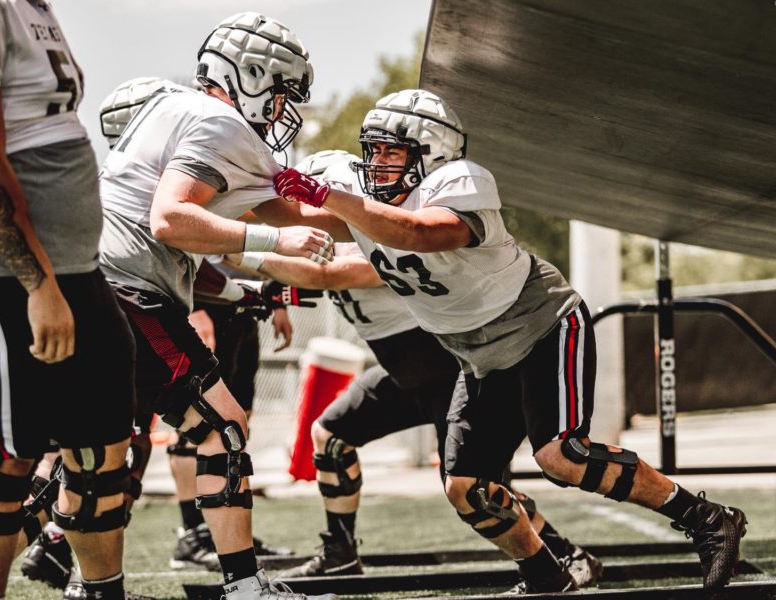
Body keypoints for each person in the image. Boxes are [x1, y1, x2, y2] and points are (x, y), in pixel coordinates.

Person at [275, 89, 748, 592]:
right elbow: (283, 217)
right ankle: (546, 575)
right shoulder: (365, 201)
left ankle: (706, 518)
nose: (378, 164)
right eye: (372, 151)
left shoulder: (462, 182)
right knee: (467, 487)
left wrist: (328, 195)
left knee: (562, 457)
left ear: (431, 152)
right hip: (478, 357)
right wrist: (228, 194)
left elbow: (419, 233)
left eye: (393, 151)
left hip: (542, 325)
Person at [233, 151, 599, 590]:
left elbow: (328, 275)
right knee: (329, 437)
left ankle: (565, 554)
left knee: (475, 487)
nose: (302, 210)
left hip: (448, 372)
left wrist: (236, 248)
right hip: (403, 374)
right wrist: (268, 282)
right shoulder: (323, 235)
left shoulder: (378, 229)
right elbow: (297, 268)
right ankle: (340, 553)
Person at [96, 12, 337, 600]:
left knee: (91, 450)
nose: (283, 109)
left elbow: (293, 214)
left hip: (99, 282)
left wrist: (393, 226)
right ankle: (245, 586)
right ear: (250, 74)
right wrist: (272, 243)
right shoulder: (219, 122)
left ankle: (83, 578)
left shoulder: (179, 107)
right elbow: (172, 218)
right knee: (222, 425)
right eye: (279, 92)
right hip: (128, 288)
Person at [0, 1, 140, 598]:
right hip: (6, 274)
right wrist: (38, 285)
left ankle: (100, 590)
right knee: (4, 462)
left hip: (78, 268)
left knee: (100, 450)